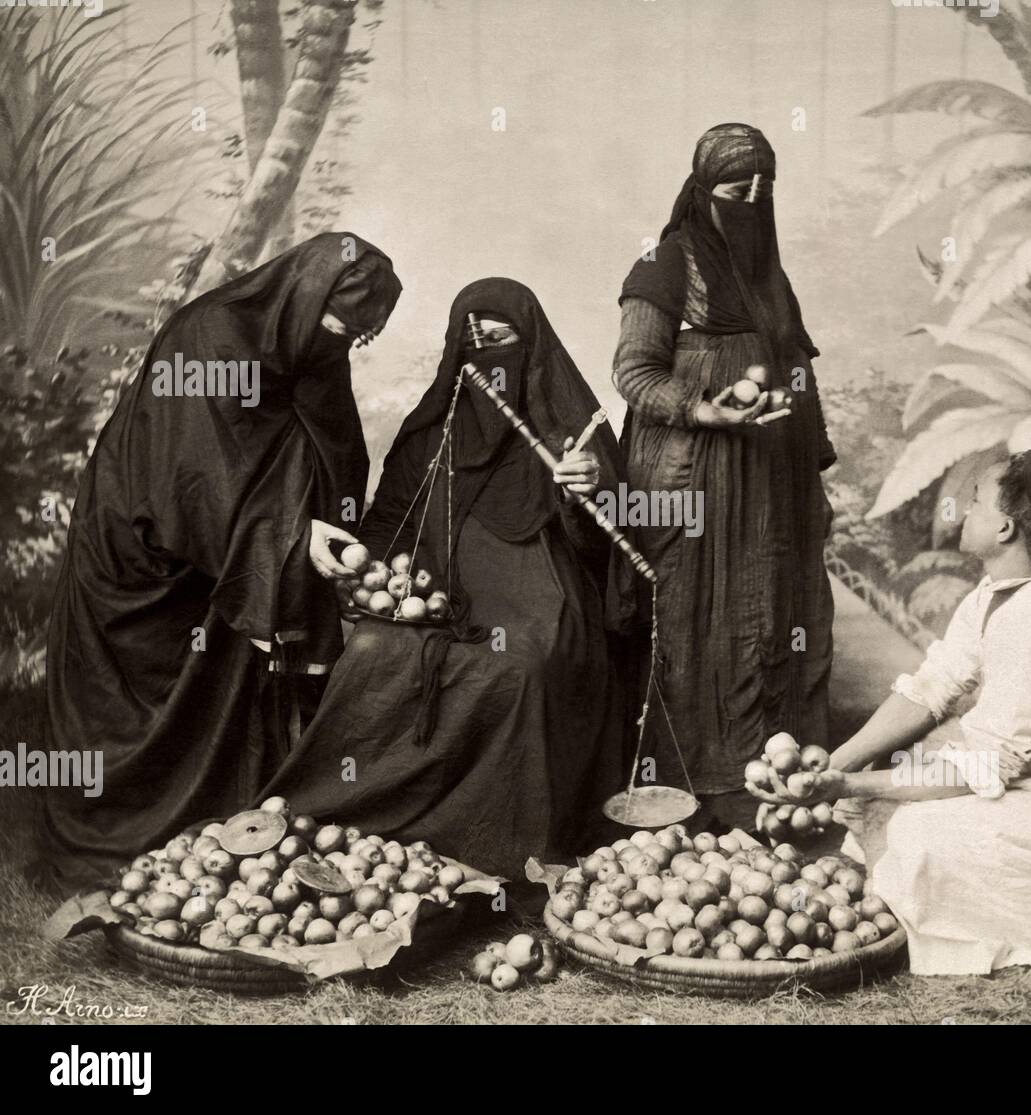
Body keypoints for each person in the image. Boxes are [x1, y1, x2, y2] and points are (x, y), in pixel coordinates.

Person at [40, 233, 402, 890]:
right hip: (151, 547)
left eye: (356, 336)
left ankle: (233, 824)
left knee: (235, 677)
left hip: (236, 556)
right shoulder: (208, 337)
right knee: (158, 689)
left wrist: (331, 528)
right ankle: (136, 834)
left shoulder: (313, 350)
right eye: (337, 324)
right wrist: (290, 543)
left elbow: (333, 447)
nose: (339, 344)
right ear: (303, 292)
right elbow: (193, 480)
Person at [259, 278, 633, 879]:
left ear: (531, 343)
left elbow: (608, 545)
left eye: (499, 337)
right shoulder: (432, 428)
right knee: (375, 652)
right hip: (435, 591)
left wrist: (583, 494)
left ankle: (499, 843)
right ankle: (362, 819)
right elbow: (388, 518)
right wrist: (363, 573)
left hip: (540, 595)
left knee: (521, 668)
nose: (483, 349)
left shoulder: (570, 427)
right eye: (470, 337)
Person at [749, 450, 1031, 974]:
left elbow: (986, 766)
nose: (962, 511)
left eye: (974, 501)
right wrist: (834, 764)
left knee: (914, 831)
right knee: (880, 807)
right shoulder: (997, 594)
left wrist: (850, 784)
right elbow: (934, 688)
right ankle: (917, 893)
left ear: (1004, 527)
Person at [613, 122, 836, 826]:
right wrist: (704, 410)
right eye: (739, 188)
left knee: (768, 611)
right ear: (704, 192)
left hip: (768, 477)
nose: (755, 198)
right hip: (690, 479)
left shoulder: (772, 279)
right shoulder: (665, 264)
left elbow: (798, 367)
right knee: (691, 620)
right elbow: (633, 372)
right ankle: (686, 788)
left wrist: (812, 461)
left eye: (766, 188)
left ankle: (763, 779)